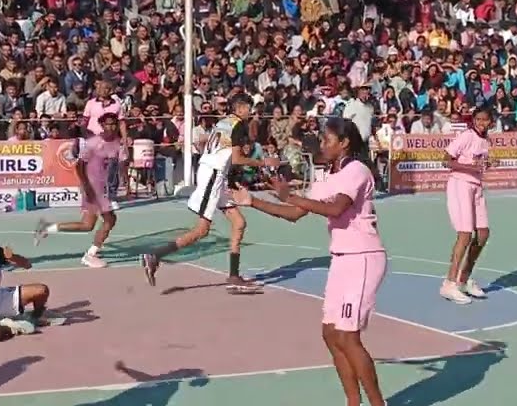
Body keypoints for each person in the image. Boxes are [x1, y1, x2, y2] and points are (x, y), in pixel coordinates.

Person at [228, 117, 387, 406]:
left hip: (363, 258)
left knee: (348, 337)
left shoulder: (357, 170)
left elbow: (336, 208)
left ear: (344, 143)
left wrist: (292, 196)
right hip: (342, 259)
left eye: (327, 140)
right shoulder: (328, 177)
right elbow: (293, 213)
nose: (322, 145)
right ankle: (354, 402)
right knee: (330, 334)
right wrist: (252, 201)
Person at [140, 95, 274, 290]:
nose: (250, 111)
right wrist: (263, 162)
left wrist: (229, 178)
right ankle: (155, 256)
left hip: (214, 173)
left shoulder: (223, 122)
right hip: (213, 174)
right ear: (241, 107)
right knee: (202, 230)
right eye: (248, 107)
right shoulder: (238, 125)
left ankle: (234, 276)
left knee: (239, 222)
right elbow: (236, 159)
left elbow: (219, 151)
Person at [32, 111, 125, 267]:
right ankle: (90, 255)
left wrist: (122, 184)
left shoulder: (117, 143)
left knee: (87, 225)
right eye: (108, 123)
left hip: (104, 189)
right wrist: (87, 186)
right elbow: (79, 165)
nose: (111, 126)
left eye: (114, 123)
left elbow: (115, 166)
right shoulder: (93, 143)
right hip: (93, 188)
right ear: (102, 125)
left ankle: (48, 228)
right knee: (110, 219)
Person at [440, 106, 493, 305]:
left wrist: (488, 163)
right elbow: (446, 160)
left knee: (483, 234)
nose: (481, 123)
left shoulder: (486, 140)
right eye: (478, 119)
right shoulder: (466, 136)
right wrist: (470, 167)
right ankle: (449, 283)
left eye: (485, 120)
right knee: (465, 234)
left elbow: (480, 162)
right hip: (460, 184)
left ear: (490, 122)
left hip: (477, 186)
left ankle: (463, 279)